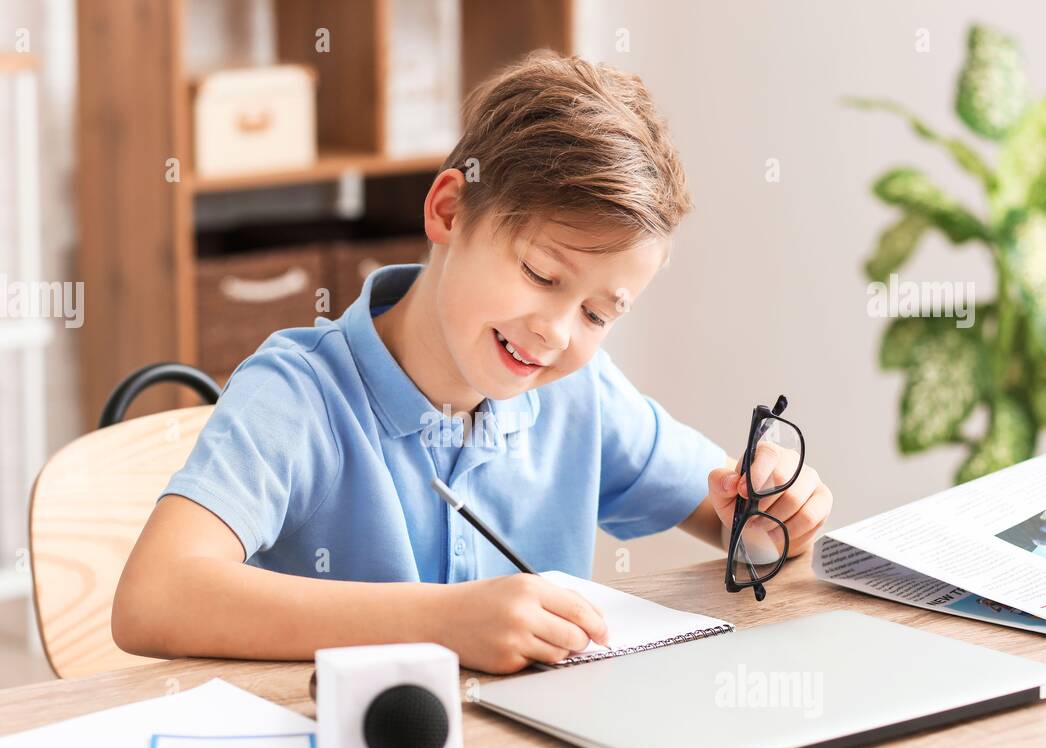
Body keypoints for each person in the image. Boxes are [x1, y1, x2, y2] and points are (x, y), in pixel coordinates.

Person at [112, 52, 833, 673]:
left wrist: (778, 512)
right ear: (450, 212)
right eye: (543, 276)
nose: (555, 332)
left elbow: (740, 528)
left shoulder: (582, 396)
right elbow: (155, 598)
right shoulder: (297, 397)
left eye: (597, 315)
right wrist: (439, 622)